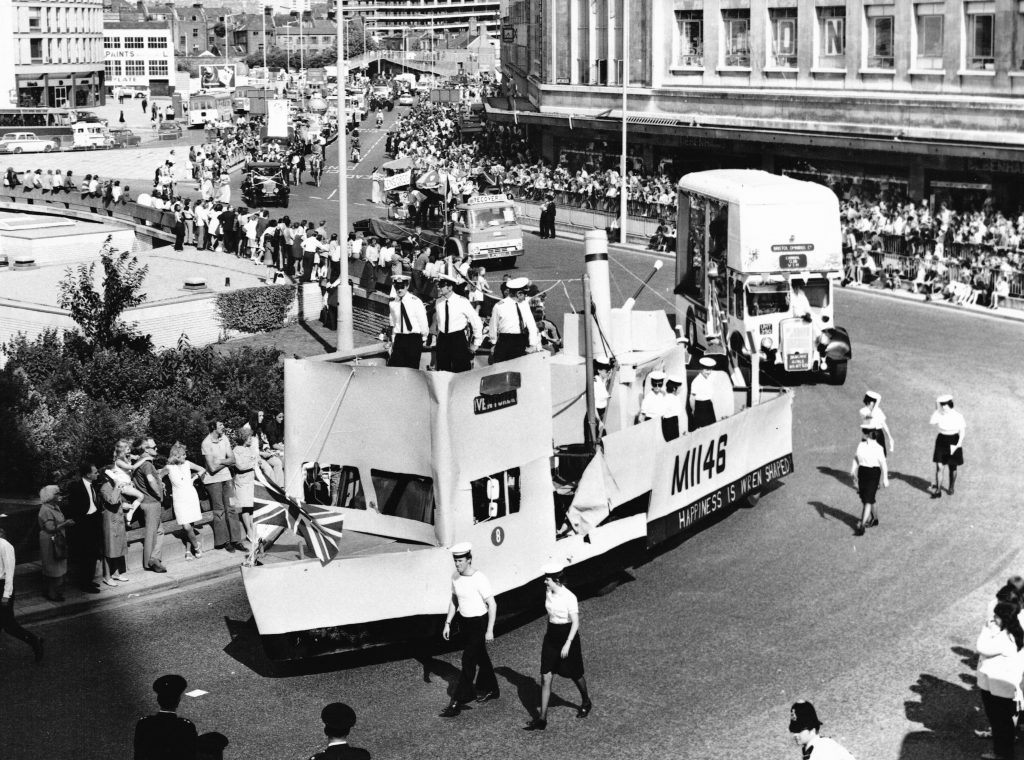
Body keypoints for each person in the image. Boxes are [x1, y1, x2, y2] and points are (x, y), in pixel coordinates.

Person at [526, 561, 592, 730]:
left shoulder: (569, 597)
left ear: (556, 579)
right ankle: (542, 719)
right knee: (545, 676)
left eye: (547, 579)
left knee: (575, 673)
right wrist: (550, 634)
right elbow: (550, 615)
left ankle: (585, 700)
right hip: (552, 637)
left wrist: (567, 644)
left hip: (568, 637)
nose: (544, 581)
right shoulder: (549, 592)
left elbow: (576, 622)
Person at [440, 543, 499, 718]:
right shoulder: (455, 577)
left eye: (460, 560)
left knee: (468, 660)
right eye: (455, 560)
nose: (457, 564)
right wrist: (448, 623)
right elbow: (454, 600)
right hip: (465, 622)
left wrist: (490, 630)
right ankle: (492, 689)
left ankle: (458, 701)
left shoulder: (479, 578)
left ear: (469, 560)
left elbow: (492, 604)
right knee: (481, 656)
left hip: (479, 623)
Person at [976, 602, 1024, 760]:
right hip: (1006, 685)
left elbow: (982, 647)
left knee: (999, 721)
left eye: (996, 616)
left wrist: (986, 628)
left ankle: (1002, 754)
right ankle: (1005, 749)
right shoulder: (1015, 632)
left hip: (997, 687)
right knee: (1005, 721)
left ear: (1005, 619)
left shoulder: (1004, 638)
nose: (993, 618)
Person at [0, 526, 44, 662]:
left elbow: (9, 572)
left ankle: (34, 641)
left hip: (3, 588)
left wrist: (6, 595)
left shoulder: (5, 546)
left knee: (9, 626)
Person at [201, 420, 245, 552]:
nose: (223, 427)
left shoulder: (224, 438)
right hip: (213, 481)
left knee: (232, 508)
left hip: (227, 478)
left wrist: (220, 460)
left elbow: (233, 459)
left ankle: (236, 540)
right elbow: (212, 469)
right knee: (219, 510)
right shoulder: (206, 443)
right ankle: (224, 542)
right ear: (213, 427)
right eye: (220, 425)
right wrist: (226, 462)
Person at [134, 674, 198, 760]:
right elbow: (191, 754)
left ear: (158, 700)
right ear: (178, 701)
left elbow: (138, 753)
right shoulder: (186, 726)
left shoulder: (144, 723)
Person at [131, 437, 168, 573]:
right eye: (154, 447)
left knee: (159, 531)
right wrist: (158, 493)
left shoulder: (139, 463)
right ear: (146, 449)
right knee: (152, 533)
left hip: (147, 502)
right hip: (151, 502)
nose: (157, 449)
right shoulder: (146, 464)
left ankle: (155, 558)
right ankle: (150, 562)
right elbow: (150, 480)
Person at [432, 274, 483, 372]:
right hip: (443, 339)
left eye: (441, 285)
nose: (438, 287)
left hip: (457, 339)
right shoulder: (438, 302)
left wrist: (476, 342)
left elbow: (476, 321)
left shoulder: (462, 302)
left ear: (450, 287)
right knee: (443, 370)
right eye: (439, 285)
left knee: (461, 370)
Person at [65, 462, 103, 593]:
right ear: (88, 474)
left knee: (93, 555)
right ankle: (84, 583)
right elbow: (74, 508)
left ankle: (89, 580)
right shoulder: (76, 488)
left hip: (94, 523)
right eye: (95, 472)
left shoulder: (94, 486)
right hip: (83, 526)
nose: (98, 474)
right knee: (85, 556)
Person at [165, 443, 206, 560]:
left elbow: (202, 469)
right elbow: (157, 476)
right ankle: (196, 546)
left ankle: (188, 550)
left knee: (190, 525)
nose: (185, 456)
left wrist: (194, 478)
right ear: (176, 456)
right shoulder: (168, 467)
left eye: (185, 454)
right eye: (182, 455)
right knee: (186, 526)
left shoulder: (188, 464)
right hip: (179, 498)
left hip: (190, 495)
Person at [488, 277, 540, 363]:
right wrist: (493, 343)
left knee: (519, 369)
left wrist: (533, 344)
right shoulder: (499, 306)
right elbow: (493, 325)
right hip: (504, 341)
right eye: (525, 294)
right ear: (519, 293)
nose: (526, 296)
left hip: (520, 340)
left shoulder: (524, 305)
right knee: (501, 368)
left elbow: (531, 325)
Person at [850, 426, 889, 536]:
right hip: (862, 472)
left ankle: (862, 526)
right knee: (867, 498)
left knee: (867, 500)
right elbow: (856, 458)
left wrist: (885, 478)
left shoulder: (878, 448)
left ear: (868, 435)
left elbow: (883, 464)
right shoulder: (861, 445)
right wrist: (853, 470)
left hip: (873, 474)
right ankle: (875, 519)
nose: (862, 435)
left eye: (864, 433)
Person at [387, 274, 429, 369]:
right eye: (397, 287)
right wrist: (393, 340)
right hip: (399, 339)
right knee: (394, 368)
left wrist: (424, 337)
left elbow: (422, 321)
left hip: (413, 339)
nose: (399, 290)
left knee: (412, 369)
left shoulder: (415, 301)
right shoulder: (393, 303)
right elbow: (394, 323)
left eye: (402, 287)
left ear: (407, 286)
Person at [37, 484, 71, 601]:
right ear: (50, 496)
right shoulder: (46, 509)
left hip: (57, 540)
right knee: (52, 568)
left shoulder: (55, 506)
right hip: (50, 542)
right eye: (57, 493)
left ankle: (53, 591)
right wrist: (66, 523)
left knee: (57, 566)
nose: (59, 495)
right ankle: (51, 593)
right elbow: (50, 528)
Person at [788, 700, 855, 759]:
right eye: (794, 730)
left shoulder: (823, 750)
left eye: (799, 730)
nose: (795, 734)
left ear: (812, 730)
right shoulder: (819, 745)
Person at [97, 466, 131, 584]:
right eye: (114, 472)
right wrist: (117, 486)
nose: (117, 475)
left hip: (118, 520)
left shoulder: (113, 485)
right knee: (109, 549)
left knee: (118, 547)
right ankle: (107, 576)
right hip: (110, 523)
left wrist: (124, 504)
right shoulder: (105, 488)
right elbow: (112, 500)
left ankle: (116, 573)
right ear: (107, 476)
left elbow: (118, 501)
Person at [929, 394, 965, 498]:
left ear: (950, 405)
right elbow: (932, 422)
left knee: (952, 467)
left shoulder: (958, 416)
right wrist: (937, 408)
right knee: (939, 467)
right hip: (941, 440)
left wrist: (958, 445)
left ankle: (951, 487)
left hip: (954, 440)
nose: (943, 407)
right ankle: (938, 490)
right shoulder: (939, 414)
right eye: (941, 405)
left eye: (944, 405)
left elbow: (962, 432)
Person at [232, 426, 260, 544]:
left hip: (251, 480)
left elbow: (255, 460)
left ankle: (253, 529)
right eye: (249, 438)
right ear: (243, 438)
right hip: (242, 481)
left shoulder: (250, 450)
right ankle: (248, 530)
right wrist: (253, 463)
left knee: (251, 506)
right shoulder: (236, 450)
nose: (251, 440)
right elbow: (240, 466)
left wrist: (256, 462)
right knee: (245, 506)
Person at [858, 391, 894, 456]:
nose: (873, 404)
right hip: (869, 434)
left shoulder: (878, 410)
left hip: (879, 434)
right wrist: (877, 403)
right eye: (873, 402)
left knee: (882, 455)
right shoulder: (863, 411)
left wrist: (890, 437)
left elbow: (883, 423)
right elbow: (868, 420)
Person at [689, 356, 717, 429]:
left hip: (709, 406)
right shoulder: (696, 381)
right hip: (700, 407)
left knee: (712, 427)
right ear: (701, 369)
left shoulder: (709, 379)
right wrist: (694, 411)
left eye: (710, 369)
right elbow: (692, 398)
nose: (709, 372)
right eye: (707, 370)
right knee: (702, 428)